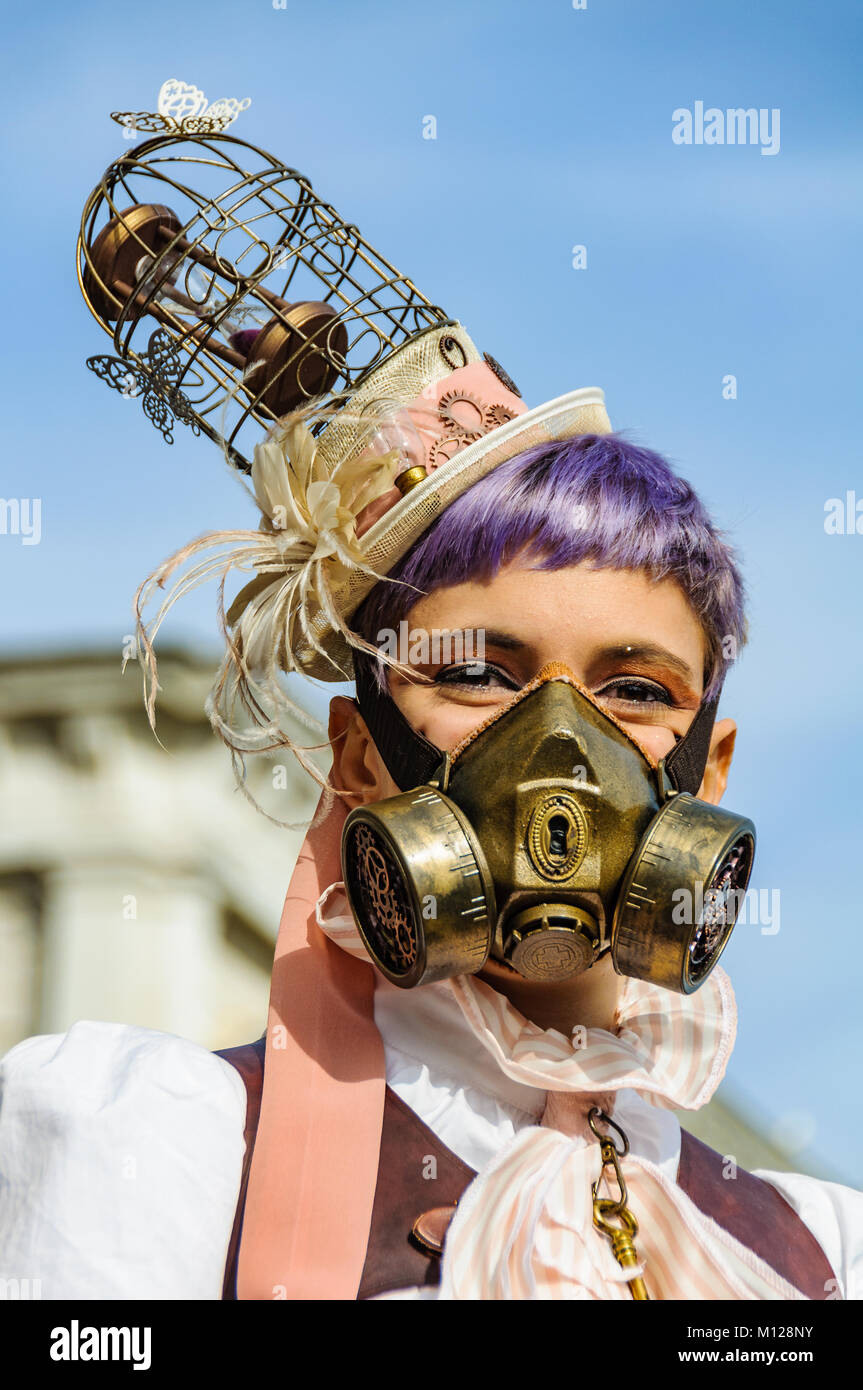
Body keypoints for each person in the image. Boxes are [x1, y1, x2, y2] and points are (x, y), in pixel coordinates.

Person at [0, 327, 860, 1301]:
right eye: (476, 674)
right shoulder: (160, 1136)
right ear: (362, 758)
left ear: (707, 773)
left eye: (634, 688)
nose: (561, 749)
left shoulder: (822, 1247)